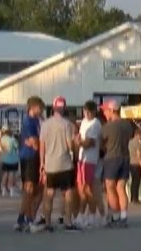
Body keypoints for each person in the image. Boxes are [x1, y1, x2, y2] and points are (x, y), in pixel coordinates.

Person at [39, 97, 78, 232]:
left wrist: (42, 163)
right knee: (68, 193)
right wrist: (75, 145)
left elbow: (42, 146)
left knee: (49, 193)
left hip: (50, 164)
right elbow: (70, 146)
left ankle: (48, 223)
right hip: (65, 163)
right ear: (64, 108)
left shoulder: (45, 124)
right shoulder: (68, 125)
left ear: (53, 108)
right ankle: (68, 221)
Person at [99, 100, 134, 227]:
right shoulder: (128, 125)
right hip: (125, 157)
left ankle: (115, 215)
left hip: (112, 158)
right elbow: (129, 137)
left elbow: (101, 143)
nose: (103, 113)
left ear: (112, 111)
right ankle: (124, 215)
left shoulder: (108, 126)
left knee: (110, 187)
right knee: (121, 187)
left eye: (105, 110)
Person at [16, 97, 44, 232]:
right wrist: (37, 143)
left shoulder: (38, 120)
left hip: (33, 156)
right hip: (29, 157)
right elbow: (35, 143)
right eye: (40, 107)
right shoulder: (28, 121)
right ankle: (27, 218)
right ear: (32, 107)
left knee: (36, 189)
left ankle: (24, 217)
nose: (42, 110)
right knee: (29, 188)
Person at [76, 101, 103, 227]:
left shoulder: (95, 123)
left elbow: (89, 143)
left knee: (87, 189)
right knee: (83, 189)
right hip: (82, 159)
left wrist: (78, 142)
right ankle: (88, 215)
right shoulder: (83, 122)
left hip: (90, 160)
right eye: (84, 111)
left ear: (94, 112)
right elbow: (81, 139)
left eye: (88, 111)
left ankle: (87, 215)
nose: (86, 114)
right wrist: (79, 142)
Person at [0, 127, 19, 197]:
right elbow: (16, 146)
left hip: (5, 158)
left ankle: (3, 189)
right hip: (12, 159)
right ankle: (11, 190)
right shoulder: (12, 139)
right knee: (11, 174)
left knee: (5, 174)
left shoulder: (2, 139)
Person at [128, 128, 141, 205]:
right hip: (136, 163)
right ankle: (136, 198)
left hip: (130, 163)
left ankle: (132, 198)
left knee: (132, 182)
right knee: (136, 182)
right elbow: (139, 155)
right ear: (138, 135)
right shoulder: (138, 144)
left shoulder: (129, 142)